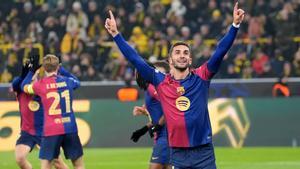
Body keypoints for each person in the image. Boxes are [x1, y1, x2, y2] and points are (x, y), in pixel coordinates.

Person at [105, 2, 244, 168]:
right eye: (177, 52)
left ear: (190, 60)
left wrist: (235, 25)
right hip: (177, 153)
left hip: (204, 152)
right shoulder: (161, 81)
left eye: (186, 53)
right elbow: (135, 59)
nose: (182, 55)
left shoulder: (202, 76)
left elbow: (220, 51)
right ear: (170, 60)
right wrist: (115, 35)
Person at [21, 54, 84, 169]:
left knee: (46, 165)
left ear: (44, 68)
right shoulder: (68, 81)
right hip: (70, 128)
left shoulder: (40, 85)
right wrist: (63, 70)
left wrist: (31, 71)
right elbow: (77, 82)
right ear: (58, 67)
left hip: (51, 130)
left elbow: (24, 87)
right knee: (78, 164)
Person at [11, 56, 68, 169]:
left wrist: (32, 73)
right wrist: (25, 73)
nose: (32, 80)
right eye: (31, 79)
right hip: (27, 132)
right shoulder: (21, 92)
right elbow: (16, 84)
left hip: (45, 133)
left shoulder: (42, 89)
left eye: (34, 78)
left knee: (58, 163)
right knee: (20, 158)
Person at [130, 61, 171, 169]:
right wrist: (143, 129)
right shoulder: (149, 89)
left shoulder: (153, 88)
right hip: (162, 136)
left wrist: (158, 126)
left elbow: (170, 107)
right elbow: (158, 115)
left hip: (165, 137)